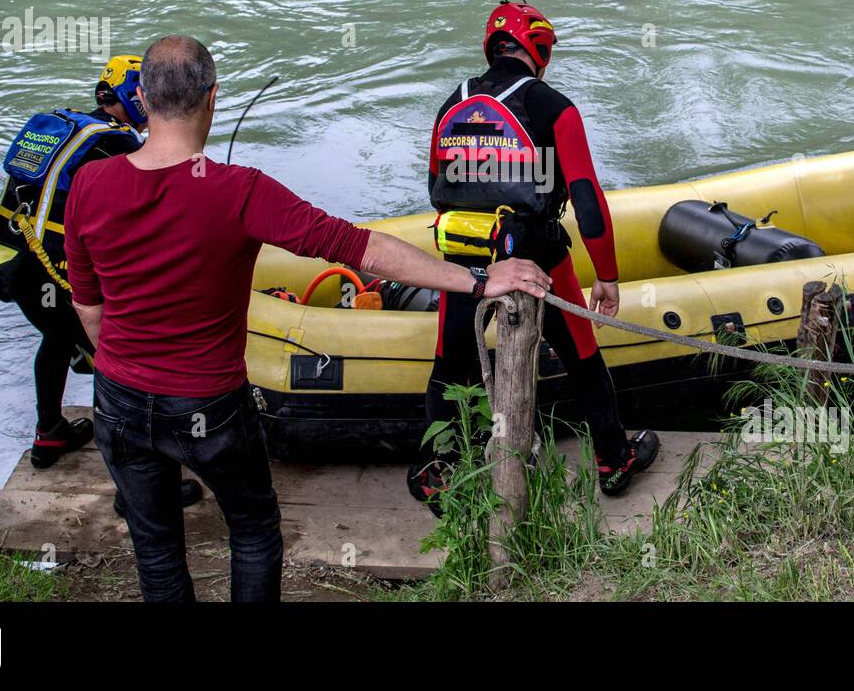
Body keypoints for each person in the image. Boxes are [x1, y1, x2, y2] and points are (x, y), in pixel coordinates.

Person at [65, 35, 551, 602]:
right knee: (250, 531)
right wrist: (479, 279)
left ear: (142, 99)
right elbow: (355, 247)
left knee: (156, 549)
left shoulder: (90, 184)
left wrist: (120, 372)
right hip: (209, 404)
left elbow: (88, 308)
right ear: (213, 98)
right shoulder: (238, 191)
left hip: (119, 398)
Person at [410, 0, 660, 513]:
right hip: (534, 253)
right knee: (582, 355)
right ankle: (614, 460)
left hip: (460, 253)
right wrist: (607, 276)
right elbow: (588, 202)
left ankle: (440, 474)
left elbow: (438, 186)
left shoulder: (451, 101)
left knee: (449, 363)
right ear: (539, 46)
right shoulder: (554, 107)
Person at [0, 57, 146, 469]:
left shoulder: (67, 127)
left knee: (56, 338)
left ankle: (49, 434)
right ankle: (130, 482)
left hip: (12, 265)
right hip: (57, 273)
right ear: (132, 96)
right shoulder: (119, 143)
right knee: (115, 361)